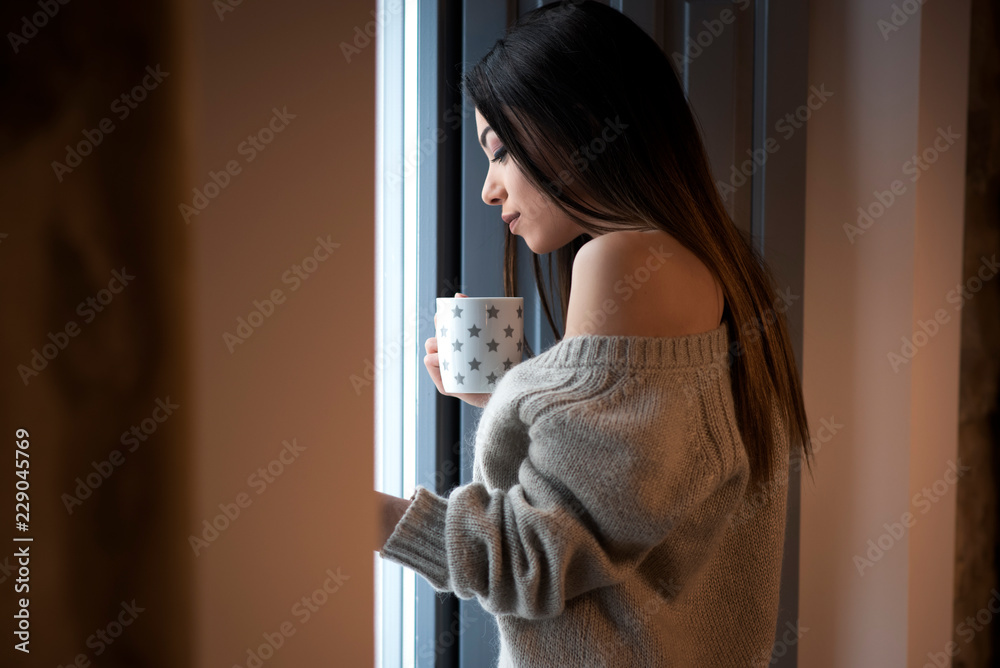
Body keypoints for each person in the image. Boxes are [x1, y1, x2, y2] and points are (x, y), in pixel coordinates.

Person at [375, 1, 816, 666]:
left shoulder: (623, 261)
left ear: (581, 127)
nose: (489, 189)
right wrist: (509, 396)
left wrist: (353, 511)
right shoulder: (713, 264)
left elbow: (532, 559)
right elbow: (638, 500)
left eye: (500, 151)